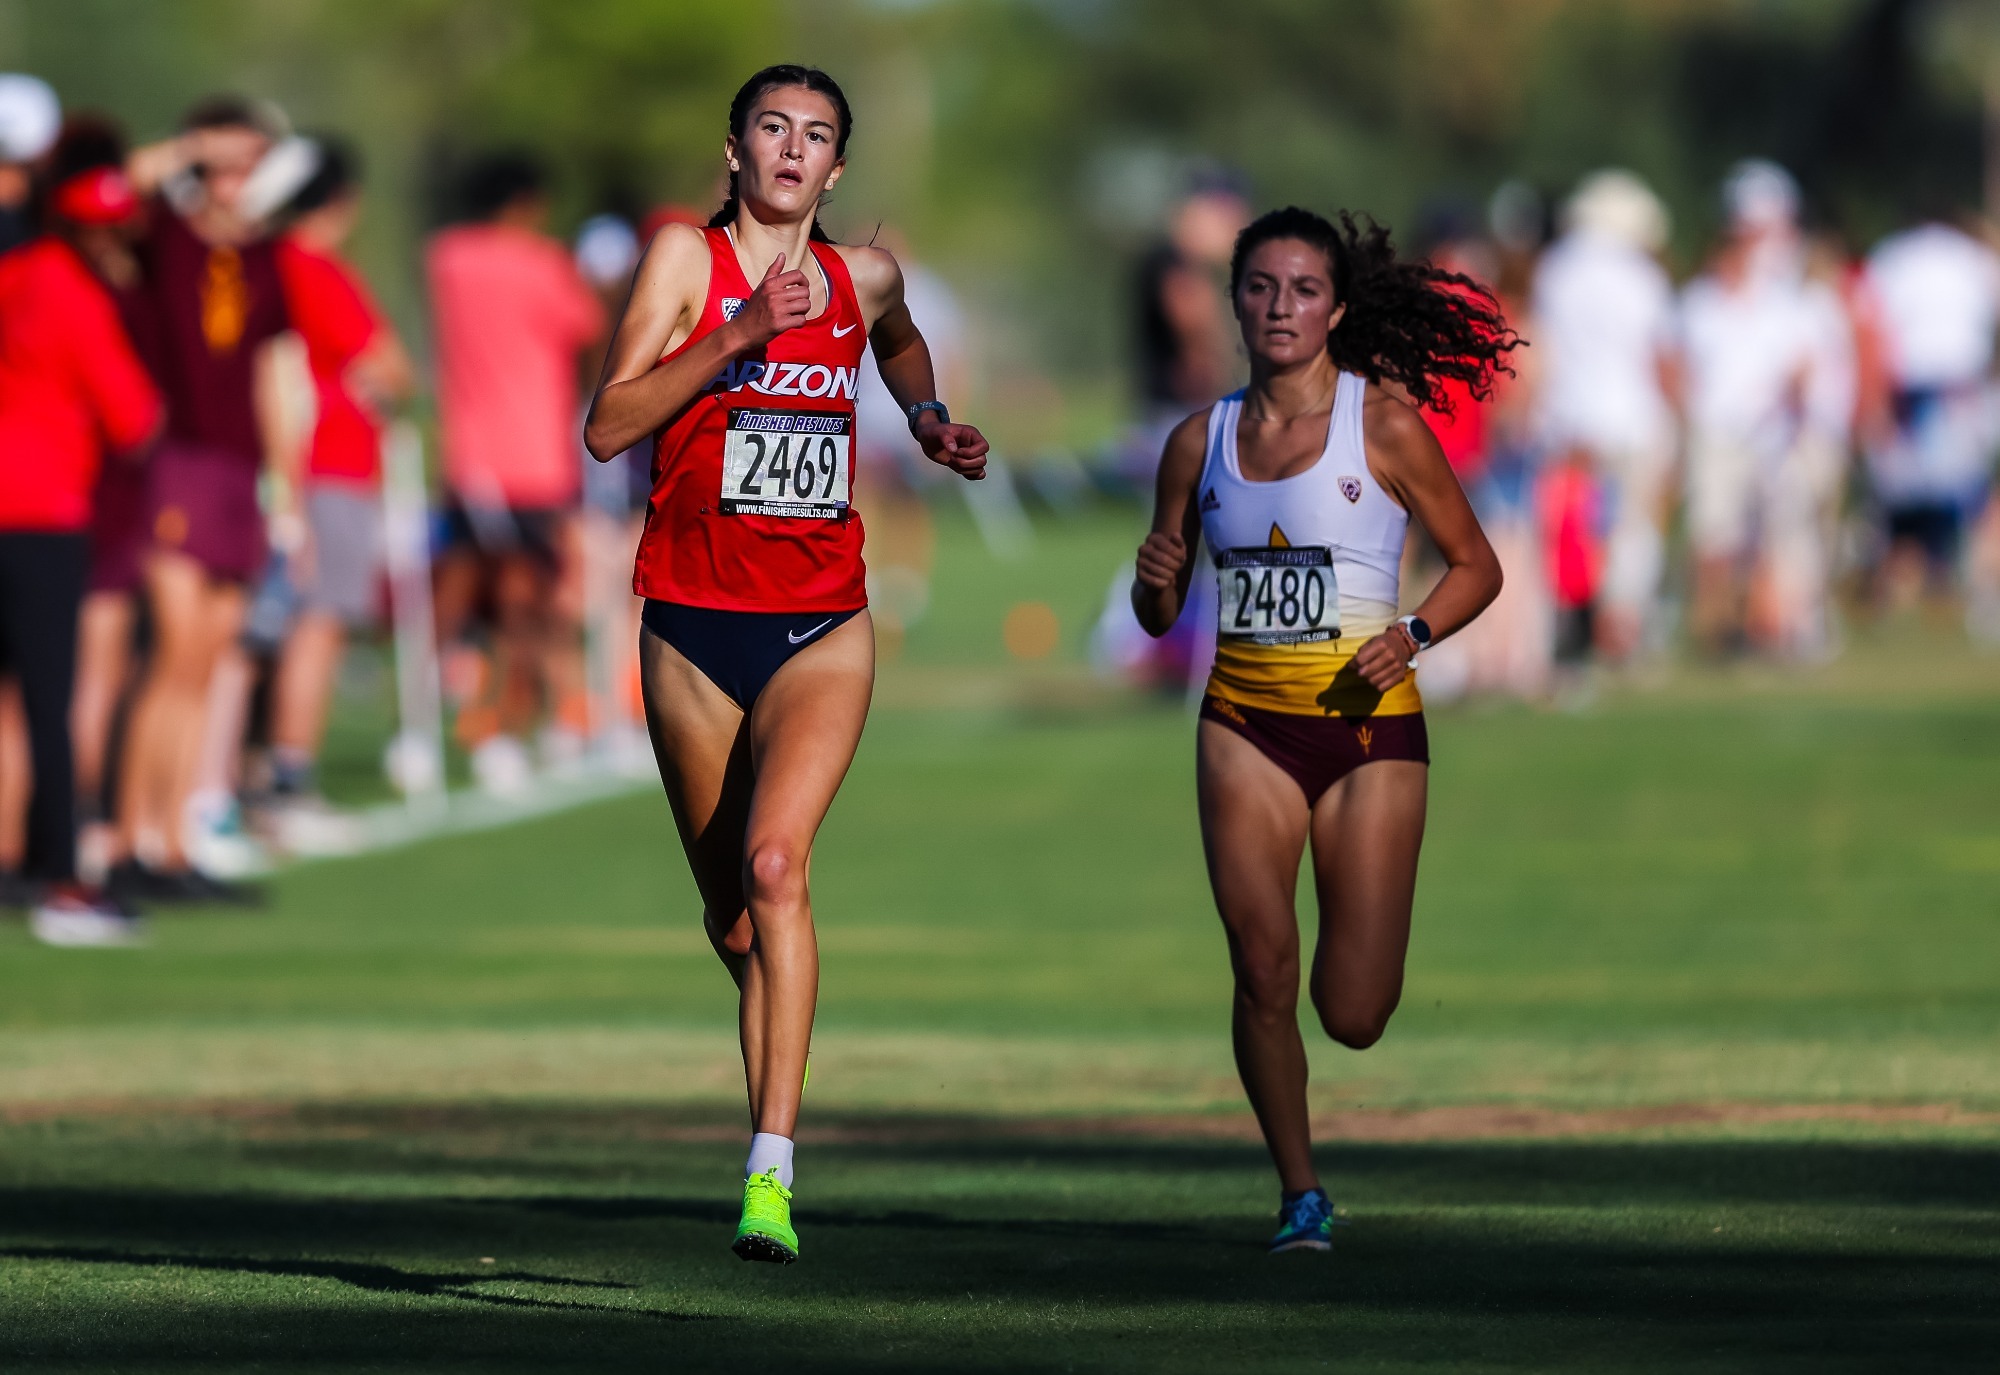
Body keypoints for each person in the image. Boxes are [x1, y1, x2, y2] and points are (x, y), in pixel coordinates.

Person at [584, 65, 988, 1264]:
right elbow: (607, 425)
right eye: (771, 128)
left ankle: (771, 1174)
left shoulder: (865, 276)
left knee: (776, 864)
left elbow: (901, 345)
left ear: (837, 168)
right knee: (732, 921)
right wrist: (743, 331)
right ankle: (767, 1043)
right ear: (734, 148)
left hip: (822, 623)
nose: (790, 150)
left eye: (815, 136)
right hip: (691, 625)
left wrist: (924, 419)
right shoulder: (681, 263)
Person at [1129, 207, 1511, 1252]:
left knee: (1352, 1009)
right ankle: (1298, 1192)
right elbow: (1159, 608)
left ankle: (1325, 1107)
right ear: (1234, 301)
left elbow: (1477, 564)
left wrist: (1415, 632)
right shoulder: (1194, 441)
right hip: (1241, 728)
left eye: (1302, 289)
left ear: (1335, 307)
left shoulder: (1379, 425)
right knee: (1260, 967)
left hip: (1366, 732)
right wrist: (1150, 584)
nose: (1280, 307)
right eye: (1259, 287)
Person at [107, 97, 298, 903]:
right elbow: (117, 184)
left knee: (209, 658)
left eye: (248, 163)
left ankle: (176, 841)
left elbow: (271, 375)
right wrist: (192, 146)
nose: (234, 178)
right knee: (173, 654)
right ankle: (128, 838)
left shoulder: (262, 254)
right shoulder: (164, 234)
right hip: (175, 462)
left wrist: (285, 487)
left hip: (235, 473)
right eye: (224, 162)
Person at [0, 140, 162, 943]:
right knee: (47, 701)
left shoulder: (13, 276)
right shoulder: (75, 296)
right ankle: (63, 879)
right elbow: (134, 417)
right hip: (42, 511)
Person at [427, 152, 604, 793]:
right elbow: (588, 331)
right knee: (524, 601)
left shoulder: (446, 259)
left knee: (459, 593)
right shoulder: (543, 264)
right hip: (531, 458)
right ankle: (503, 724)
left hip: (468, 455)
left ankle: (431, 723)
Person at [263, 138, 413, 838]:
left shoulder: (266, 263)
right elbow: (390, 366)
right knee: (316, 624)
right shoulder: (313, 266)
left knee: (289, 624)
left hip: (303, 463)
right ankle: (288, 780)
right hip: (328, 463)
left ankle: (268, 772)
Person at [1677, 161, 1853, 658]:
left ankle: (1789, 628)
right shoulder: (1707, 297)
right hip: (1727, 432)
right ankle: (1725, 631)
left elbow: (1804, 366)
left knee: (1787, 537)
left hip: (1778, 436)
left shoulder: (1794, 293)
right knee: (1723, 536)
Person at [1531, 170, 1679, 665]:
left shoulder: (1554, 270)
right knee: (1629, 531)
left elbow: (1540, 348)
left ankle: (1572, 627)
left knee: (1571, 531)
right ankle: (1620, 629)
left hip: (1568, 419)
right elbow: (1661, 356)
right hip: (1632, 419)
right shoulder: (1642, 277)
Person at [1860, 208, 2000, 606]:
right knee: (1958, 494)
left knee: (1927, 496)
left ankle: (1946, 582)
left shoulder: (1896, 257)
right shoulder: (1972, 259)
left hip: (1922, 388)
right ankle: (1953, 584)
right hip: (1949, 388)